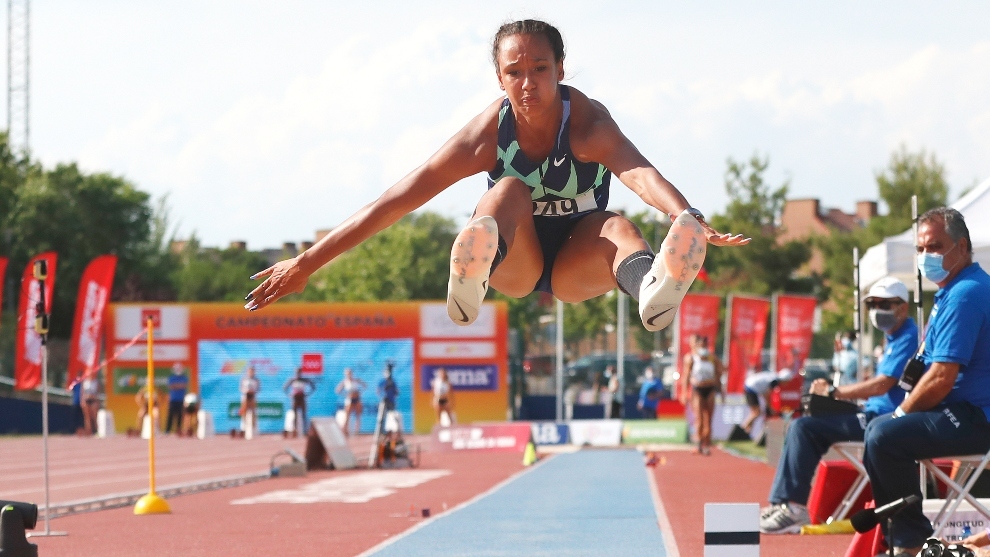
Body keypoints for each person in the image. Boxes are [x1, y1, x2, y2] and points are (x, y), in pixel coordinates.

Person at [243, 19, 748, 334]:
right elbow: (397, 200)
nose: (528, 83)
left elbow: (639, 171)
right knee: (507, 190)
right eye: (515, 72)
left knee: (617, 225)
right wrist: (309, 263)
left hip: (579, 258)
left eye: (541, 69)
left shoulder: (588, 122)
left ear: (561, 70)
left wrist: (685, 214)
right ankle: (471, 273)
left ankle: (653, 290)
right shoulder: (487, 135)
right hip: (517, 261)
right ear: (499, 77)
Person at [860, 207, 990, 556]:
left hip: (978, 417)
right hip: (964, 411)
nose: (925, 257)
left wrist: (902, 413)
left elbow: (941, 378)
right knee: (878, 430)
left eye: (935, 247)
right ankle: (901, 535)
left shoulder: (966, 293)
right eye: (920, 250)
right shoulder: (954, 290)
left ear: (962, 247)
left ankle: (910, 540)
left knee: (886, 434)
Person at [759, 277, 917, 534]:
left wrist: (834, 392)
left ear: (903, 307)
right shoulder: (894, 336)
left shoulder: (908, 336)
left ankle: (793, 508)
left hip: (885, 419)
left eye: (884, 304)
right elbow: (881, 384)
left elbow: (882, 385)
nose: (877, 310)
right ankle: (783, 503)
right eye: (872, 305)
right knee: (805, 420)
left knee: (804, 428)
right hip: (873, 412)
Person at [680, 335, 724, 455]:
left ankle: (706, 444)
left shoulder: (712, 358)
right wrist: (684, 392)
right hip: (697, 389)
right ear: (697, 345)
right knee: (699, 418)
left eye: (705, 345)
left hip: (710, 388)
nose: (703, 347)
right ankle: (699, 444)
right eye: (701, 345)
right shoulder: (691, 358)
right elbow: (686, 376)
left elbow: (719, 374)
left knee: (708, 419)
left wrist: (722, 391)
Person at [740, 368, 794, 435]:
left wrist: (769, 406)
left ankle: (747, 431)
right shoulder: (775, 381)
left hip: (750, 386)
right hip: (751, 388)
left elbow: (765, 393)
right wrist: (770, 407)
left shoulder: (774, 377)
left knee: (755, 412)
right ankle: (743, 429)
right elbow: (767, 395)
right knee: (756, 412)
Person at [283, 367, 316, 436]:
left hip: (302, 398)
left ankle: (305, 431)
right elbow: (285, 387)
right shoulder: (292, 380)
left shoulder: (304, 380)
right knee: (294, 415)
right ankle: (295, 430)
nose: (298, 373)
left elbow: (313, 386)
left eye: (299, 372)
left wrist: (308, 393)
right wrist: (290, 394)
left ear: (301, 372)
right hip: (295, 398)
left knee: (304, 414)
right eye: (296, 372)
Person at [335, 368, 365, 436]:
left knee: (358, 416)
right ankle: (345, 431)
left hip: (357, 399)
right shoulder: (345, 382)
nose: (349, 375)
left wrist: (360, 392)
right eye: (347, 373)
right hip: (349, 400)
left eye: (350, 373)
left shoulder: (356, 380)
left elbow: (364, 386)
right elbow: (337, 390)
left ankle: (357, 432)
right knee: (347, 416)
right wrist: (346, 395)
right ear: (345, 374)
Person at [165, 363, 188, 436]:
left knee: (180, 416)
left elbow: (183, 385)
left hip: (181, 399)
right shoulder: (171, 378)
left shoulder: (184, 378)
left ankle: (178, 431)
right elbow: (171, 386)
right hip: (173, 399)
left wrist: (176, 385)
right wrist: (179, 385)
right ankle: (167, 431)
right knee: (171, 415)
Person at [239, 366, 260, 437]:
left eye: (252, 371)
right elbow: (241, 388)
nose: (251, 373)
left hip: (253, 397)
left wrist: (253, 391)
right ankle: (243, 429)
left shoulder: (256, 380)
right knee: (244, 413)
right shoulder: (244, 379)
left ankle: (253, 429)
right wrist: (246, 391)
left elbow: (258, 389)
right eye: (249, 371)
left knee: (253, 413)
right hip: (245, 397)